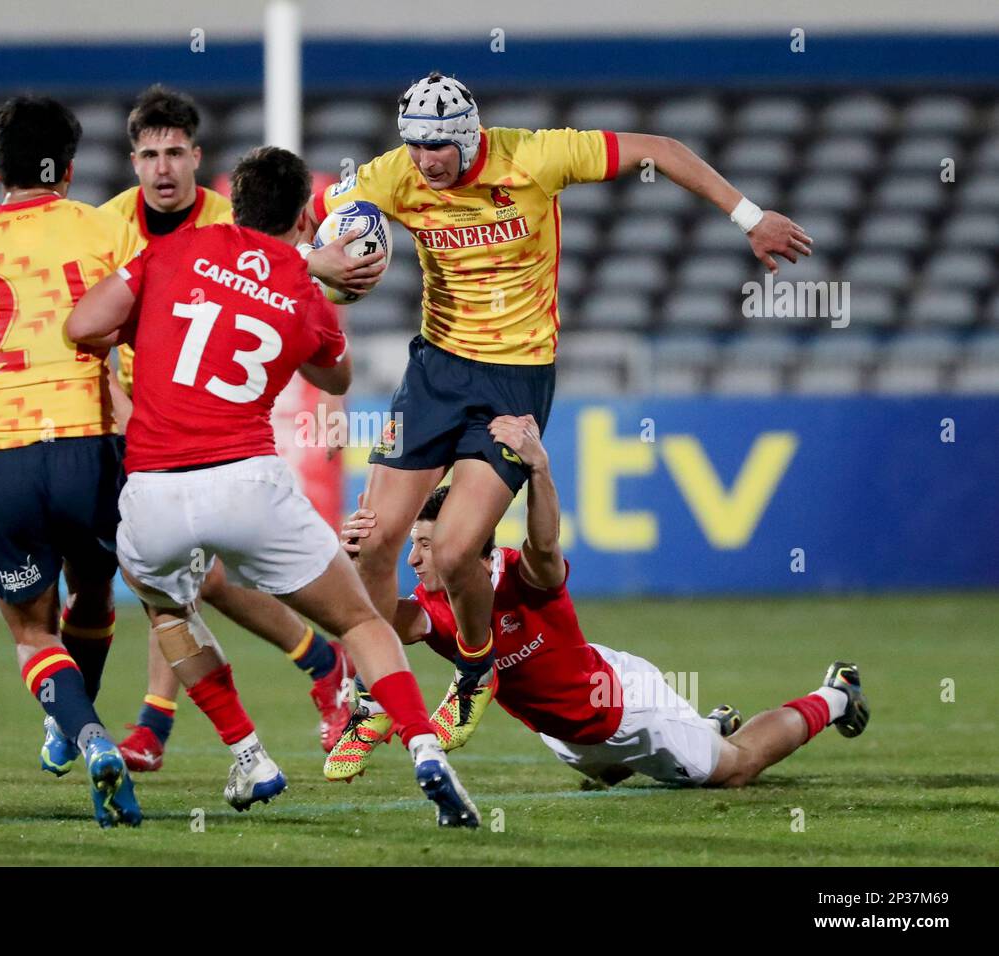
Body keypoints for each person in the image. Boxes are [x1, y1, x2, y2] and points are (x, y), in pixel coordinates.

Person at [308, 71, 814, 744]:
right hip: (434, 372)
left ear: (468, 136)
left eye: (437, 147)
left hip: (515, 380)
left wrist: (748, 217)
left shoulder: (533, 156)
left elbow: (659, 149)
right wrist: (318, 262)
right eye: (414, 146)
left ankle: (474, 670)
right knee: (372, 544)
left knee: (458, 554)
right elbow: (311, 221)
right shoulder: (391, 175)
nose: (425, 161)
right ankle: (377, 692)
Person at [67, 146, 480, 827]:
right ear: (301, 218)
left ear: (232, 202)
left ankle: (249, 753)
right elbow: (337, 378)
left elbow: (82, 327)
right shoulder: (301, 290)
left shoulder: (172, 250)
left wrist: (140, 325)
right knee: (357, 620)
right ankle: (426, 750)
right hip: (248, 483)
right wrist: (312, 282)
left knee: (169, 611)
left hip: (154, 489)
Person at [330, 414, 869, 788]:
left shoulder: (523, 577)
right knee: (611, 774)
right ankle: (706, 727)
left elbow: (544, 543)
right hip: (566, 735)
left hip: (623, 707)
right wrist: (359, 555)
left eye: (426, 545)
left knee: (734, 770)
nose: (418, 559)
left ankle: (836, 694)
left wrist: (538, 468)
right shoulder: (432, 605)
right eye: (414, 547)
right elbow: (370, 622)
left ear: (472, 545)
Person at [102, 85, 356, 767]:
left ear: (196, 157)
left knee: (188, 581)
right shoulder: (106, 230)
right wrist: (118, 410)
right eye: (150, 155)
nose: (163, 169)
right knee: (184, 580)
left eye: (175, 153)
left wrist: (331, 410)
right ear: (133, 161)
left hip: (212, 423)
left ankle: (153, 725)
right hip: (135, 416)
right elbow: (92, 326)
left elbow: (315, 305)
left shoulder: (229, 221)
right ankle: (324, 663)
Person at [0, 95, 141, 828]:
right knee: (98, 598)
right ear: (69, 169)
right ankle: (77, 724)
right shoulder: (108, 229)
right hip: (90, 444)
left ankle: (86, 734)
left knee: (32, 632)